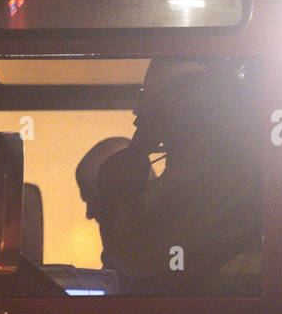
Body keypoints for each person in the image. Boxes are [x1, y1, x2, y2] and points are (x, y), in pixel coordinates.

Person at [82, 58, 262, 296]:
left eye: (163, 122)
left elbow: (128, 253)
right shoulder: (252, 186)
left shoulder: (197, 200)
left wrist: (136, 151)